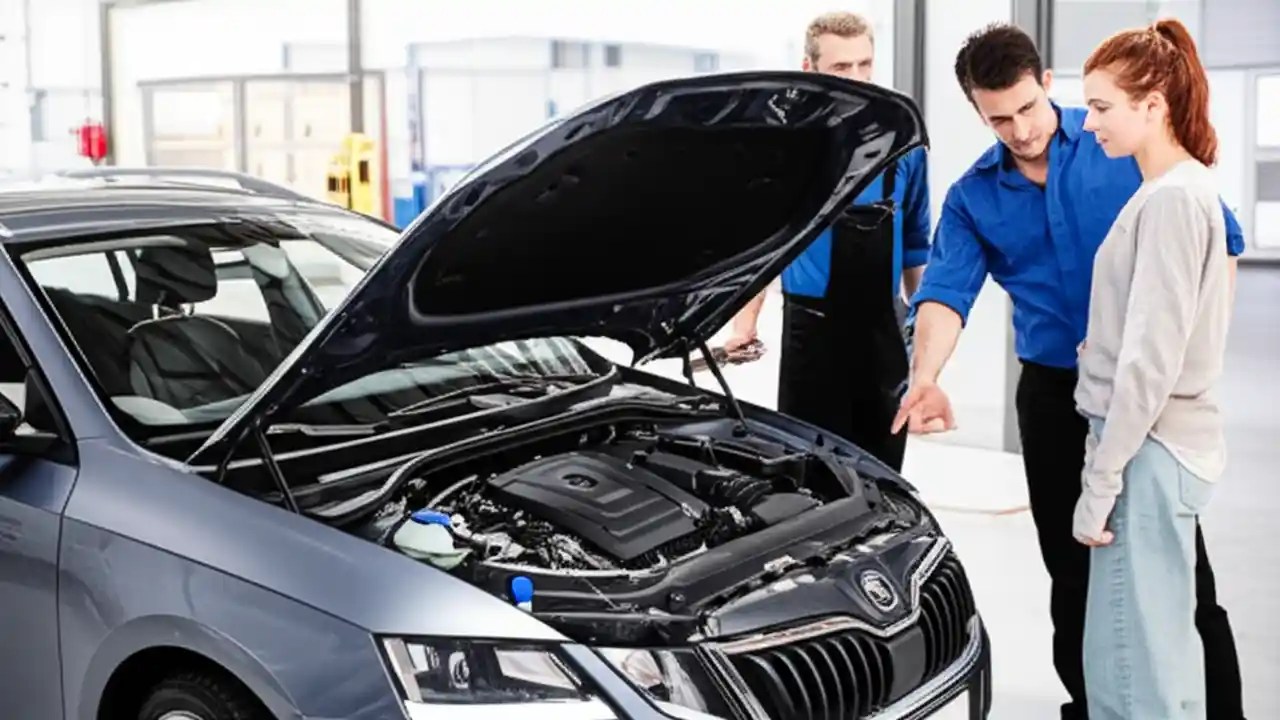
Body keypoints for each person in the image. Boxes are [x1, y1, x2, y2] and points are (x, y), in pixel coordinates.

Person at [890, 22, 1246, 720]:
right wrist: (925, 375)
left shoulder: (1120, 138)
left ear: (1046, 84)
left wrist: (1196, 360)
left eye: (1027, 107)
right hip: (1053, 395)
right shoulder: (972, 198)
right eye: (999, 117)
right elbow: (945, 294)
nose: (1020, 129)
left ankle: (1221, 710)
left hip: (1143, 392)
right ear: (977, 110)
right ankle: (1094, 705)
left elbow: (1219, 239)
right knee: (1074, 565)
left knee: (1180, 573)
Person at [1073, 19, 1233, 720]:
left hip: (1145, 449)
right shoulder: (1187, 189)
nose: (1089, 125)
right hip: (1168, 445)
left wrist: (1100, 482)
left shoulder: (1170, 199)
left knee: (1128, 665)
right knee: (1164, 649)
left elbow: (1150, 360)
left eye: (1102, 107)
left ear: (1153, 104)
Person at [723, 10, 930, 471]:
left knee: (882, 476)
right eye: (842, 68)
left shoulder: (905, 143)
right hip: (811, 340)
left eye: (865, 64)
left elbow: (916, 243)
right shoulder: (788, 150)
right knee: (809, 477)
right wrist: (744, 324)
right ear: (809, 69)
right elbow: (767, 250)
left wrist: (924, 343)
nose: (858, 79)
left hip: (883, 338)